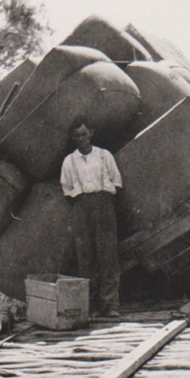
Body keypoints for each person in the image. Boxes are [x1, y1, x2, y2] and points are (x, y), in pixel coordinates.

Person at [60, 123, 122, 317]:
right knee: (86, 256)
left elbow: (116, 181)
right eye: (77, 135)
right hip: (81, 205)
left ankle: (110, 305)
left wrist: (103, 201)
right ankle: (93, 306)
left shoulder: (104, 155)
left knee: (108, 253)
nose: (82, 138)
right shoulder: (69, 161)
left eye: (85, 134)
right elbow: (66, 187)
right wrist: (81, 203)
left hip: (103, 203)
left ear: (91, 134)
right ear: (73, 137)